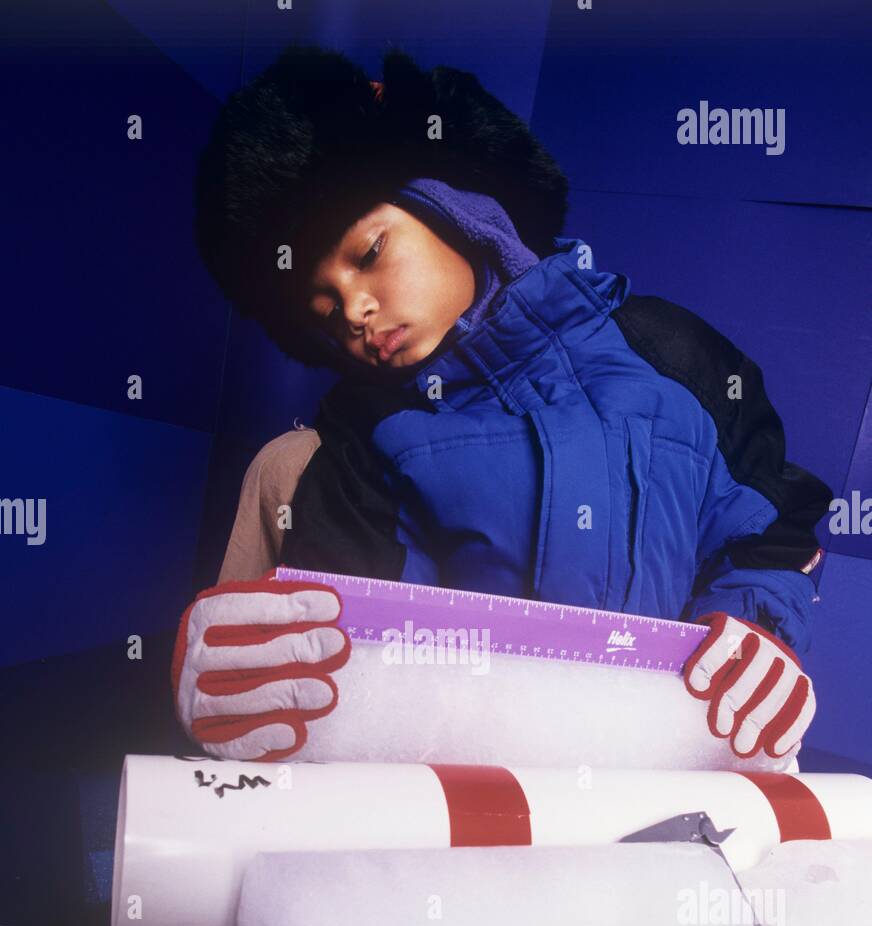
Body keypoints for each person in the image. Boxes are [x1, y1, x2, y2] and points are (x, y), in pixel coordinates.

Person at [173, 45, 831, 764]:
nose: (355, 311)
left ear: (457, 210)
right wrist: (268, 688)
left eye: (369, 254)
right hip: (462, 806)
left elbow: (768, 533)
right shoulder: (362, 437)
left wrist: (754, 638)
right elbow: (352, 644)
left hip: (668, 770)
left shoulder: (671, 350)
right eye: (324, 306)